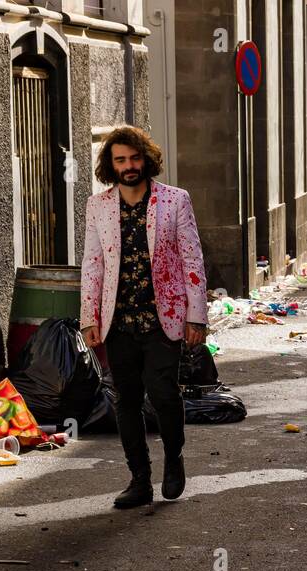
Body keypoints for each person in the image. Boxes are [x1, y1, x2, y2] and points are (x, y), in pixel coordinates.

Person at [80, 126, 208, 509]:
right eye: (120, 160)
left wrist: (196, 316)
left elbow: (192, 258)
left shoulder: (174, 200)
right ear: (111, 164)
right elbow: (93, 263)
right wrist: (89, 318)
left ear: (146, 159)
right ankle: (139, 479)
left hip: (163, 316)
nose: (129, 166)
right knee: (127, 400)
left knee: (165, 394)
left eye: (134, 158)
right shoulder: (98, 206)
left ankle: (174, 457)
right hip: (118, 319)